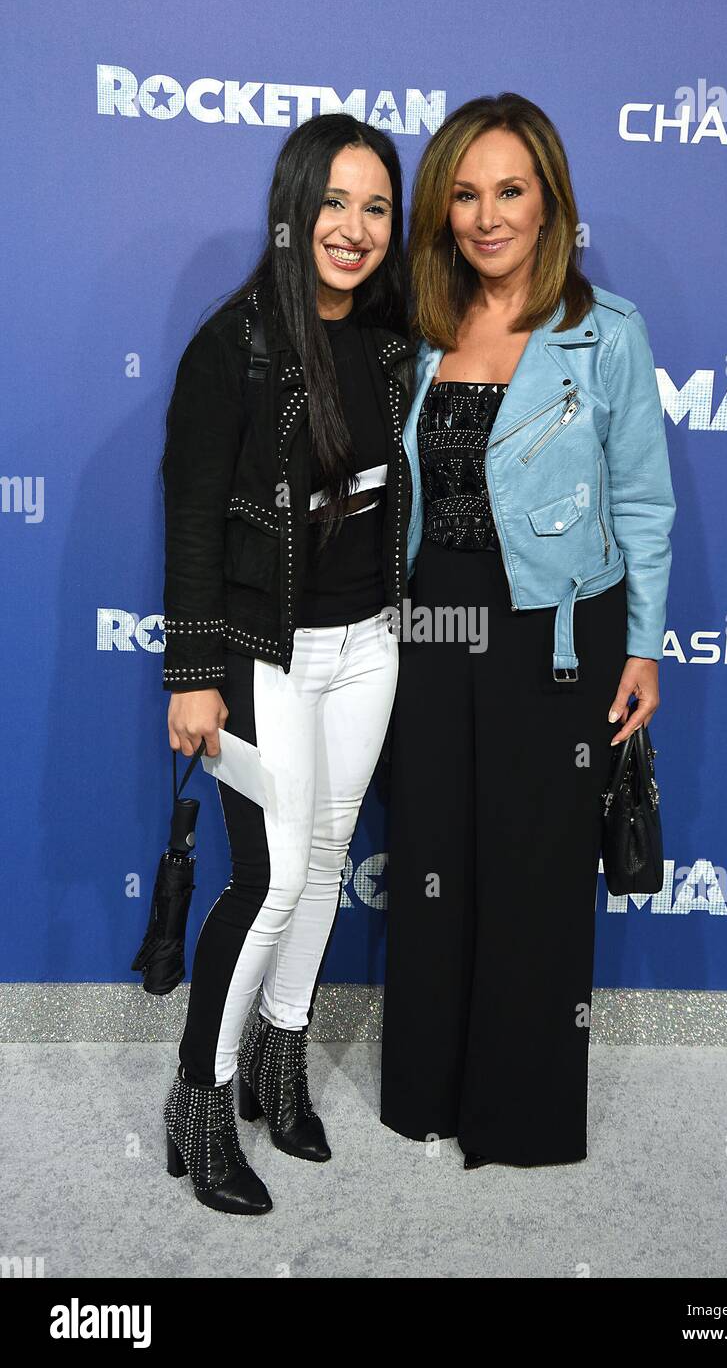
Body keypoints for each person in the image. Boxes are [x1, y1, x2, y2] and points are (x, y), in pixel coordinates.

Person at [379, 92, 676, 1169]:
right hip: (434, 622)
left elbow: (641, 502)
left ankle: (522, 1115)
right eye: (464, 192)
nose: (487, 215)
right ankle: (425, 1092)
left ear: (550, 202)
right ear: (441, 209)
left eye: (510, 190)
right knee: (433, 855)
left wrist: (642, 645)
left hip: (557, 629)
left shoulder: (608, 334)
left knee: (537, 868)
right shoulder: (416, 330)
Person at [159, 114, 416, 1214]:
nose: (353, 229)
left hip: (372, 646)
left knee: (327, 855)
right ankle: (199, 1101)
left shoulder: (399, 336)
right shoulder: (237, 344)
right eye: (334, 203)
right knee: (270, 879)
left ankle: (280, 1055)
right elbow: (193, 528)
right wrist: (190, 673)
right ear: (294, 206)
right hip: (265, 653)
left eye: (376, 207)